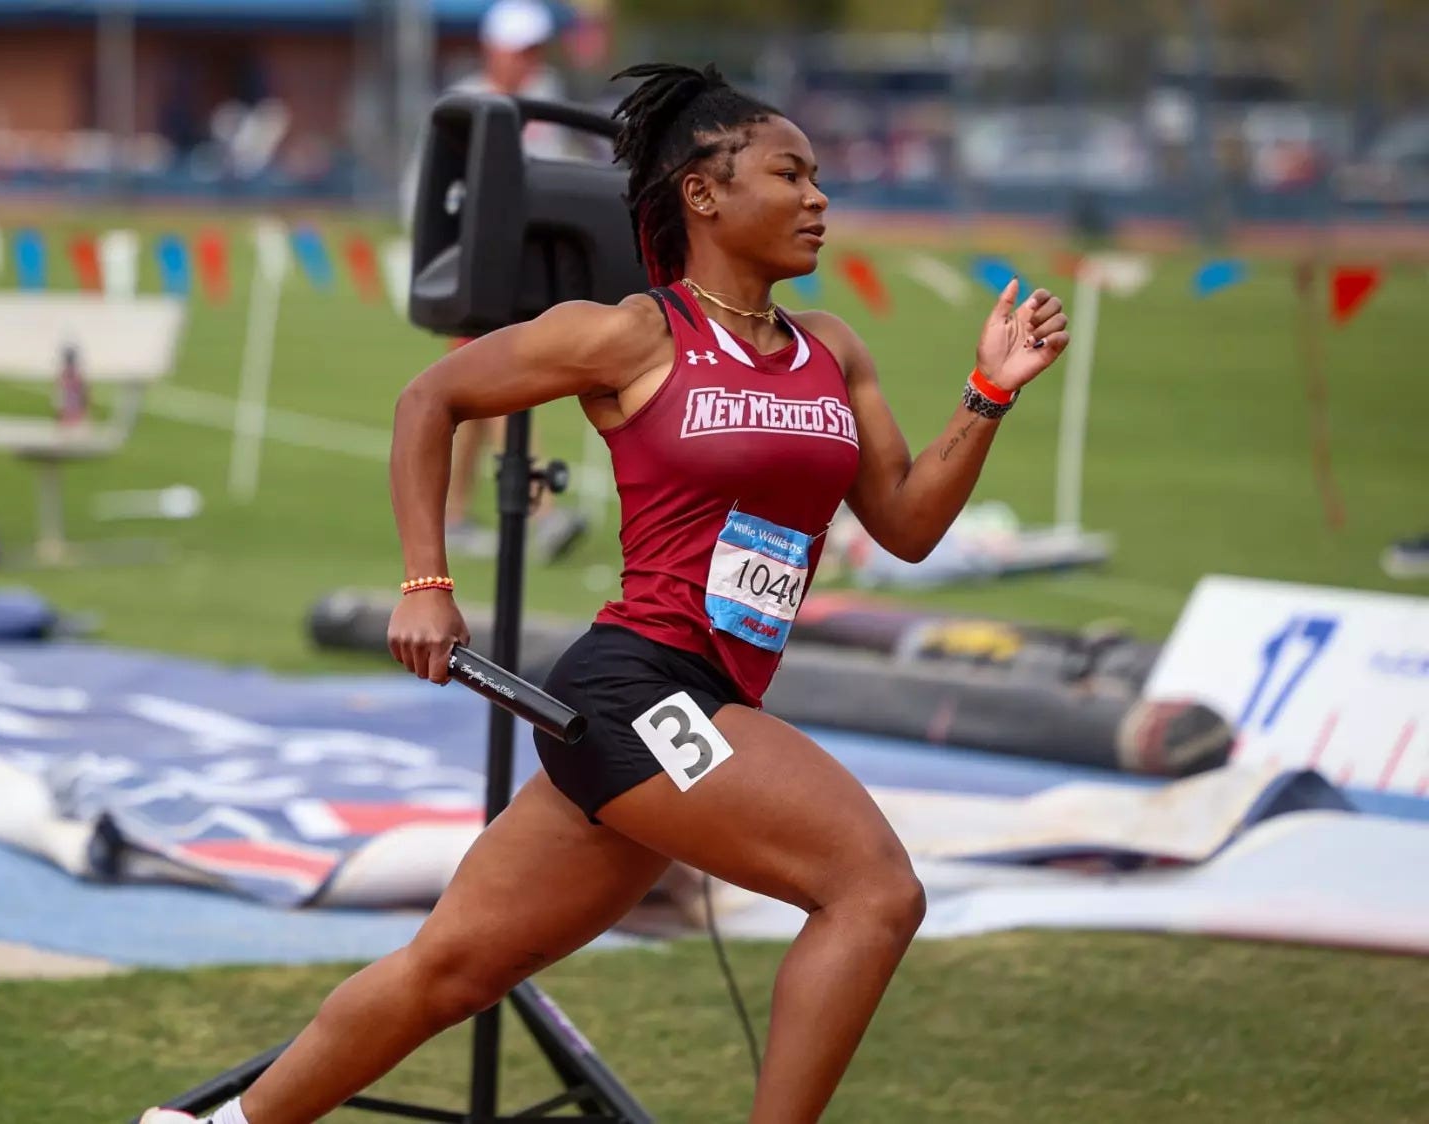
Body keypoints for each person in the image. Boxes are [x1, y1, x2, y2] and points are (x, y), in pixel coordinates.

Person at [141, 62, 1069, 1124]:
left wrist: (987, 392)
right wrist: (426, 582)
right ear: (703, 192)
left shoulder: (833, 350)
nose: (819, 197)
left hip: (695, 706)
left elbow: (905, 524)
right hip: (641, 689)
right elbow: (429, 398)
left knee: (451, 970)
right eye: (790, 174)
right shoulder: (635, 334)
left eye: (818, 177)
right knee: (873, 888)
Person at [434, 0, 591, 562]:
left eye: (535, 48)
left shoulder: (548, 98)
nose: (530, 59)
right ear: (492, 49)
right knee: (499, 382)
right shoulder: (465, 105)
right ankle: (541, 511)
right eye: (520, 49)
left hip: (527, 267)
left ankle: (451, 518)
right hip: (477, 269)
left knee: (474, 397)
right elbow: (436, 192)